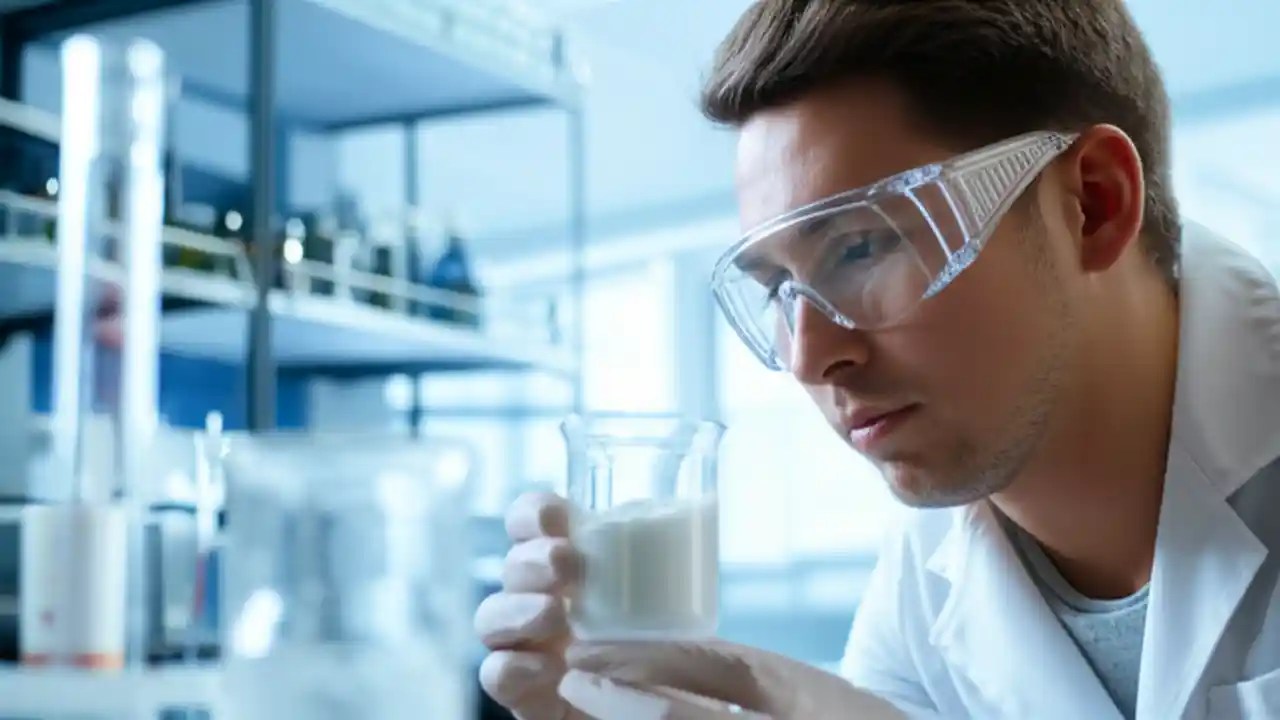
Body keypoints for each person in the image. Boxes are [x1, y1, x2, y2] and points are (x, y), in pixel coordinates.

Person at [475, 1, 1280, 718]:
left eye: (861, 248)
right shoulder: (923, 589)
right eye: (779, 289)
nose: (808, 357)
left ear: (1093, 205)